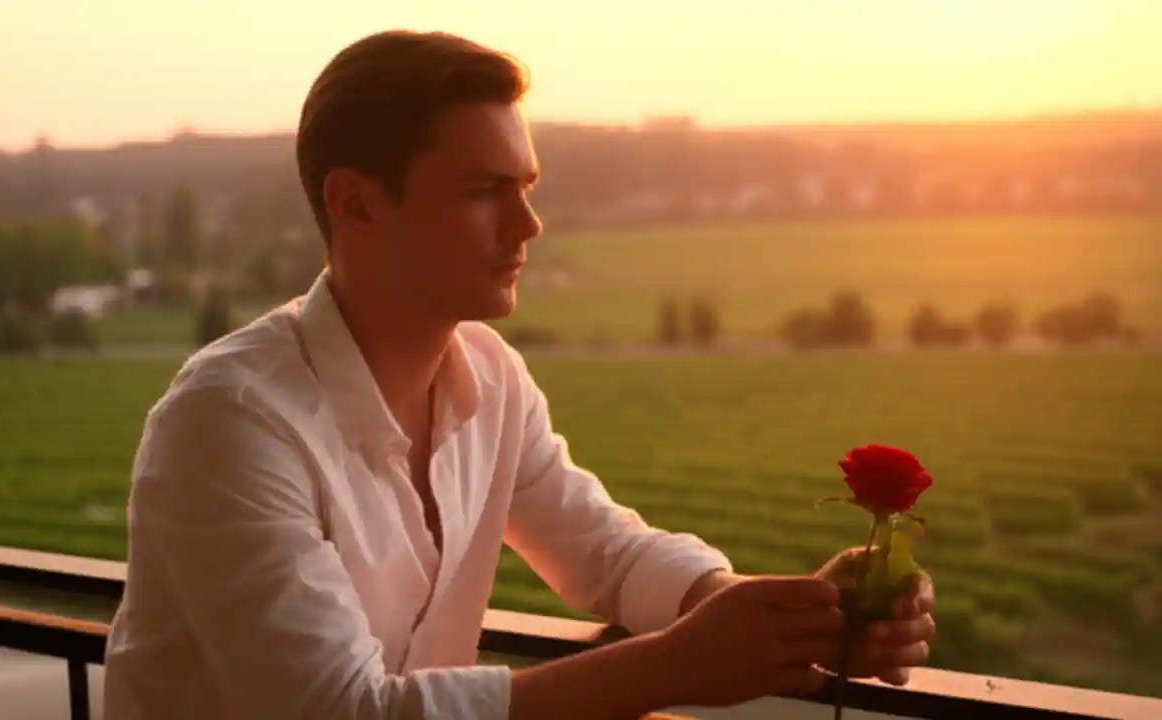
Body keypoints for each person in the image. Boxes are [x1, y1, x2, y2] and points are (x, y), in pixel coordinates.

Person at [103, 30, 934, 720]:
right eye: (484, 192)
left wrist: (782, 617)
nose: (528, 225)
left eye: (527, 187)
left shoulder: (492, 380)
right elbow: (343, 713)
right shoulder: (230, 421)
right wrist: (673, 669)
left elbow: (605, 552)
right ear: (355, 204)